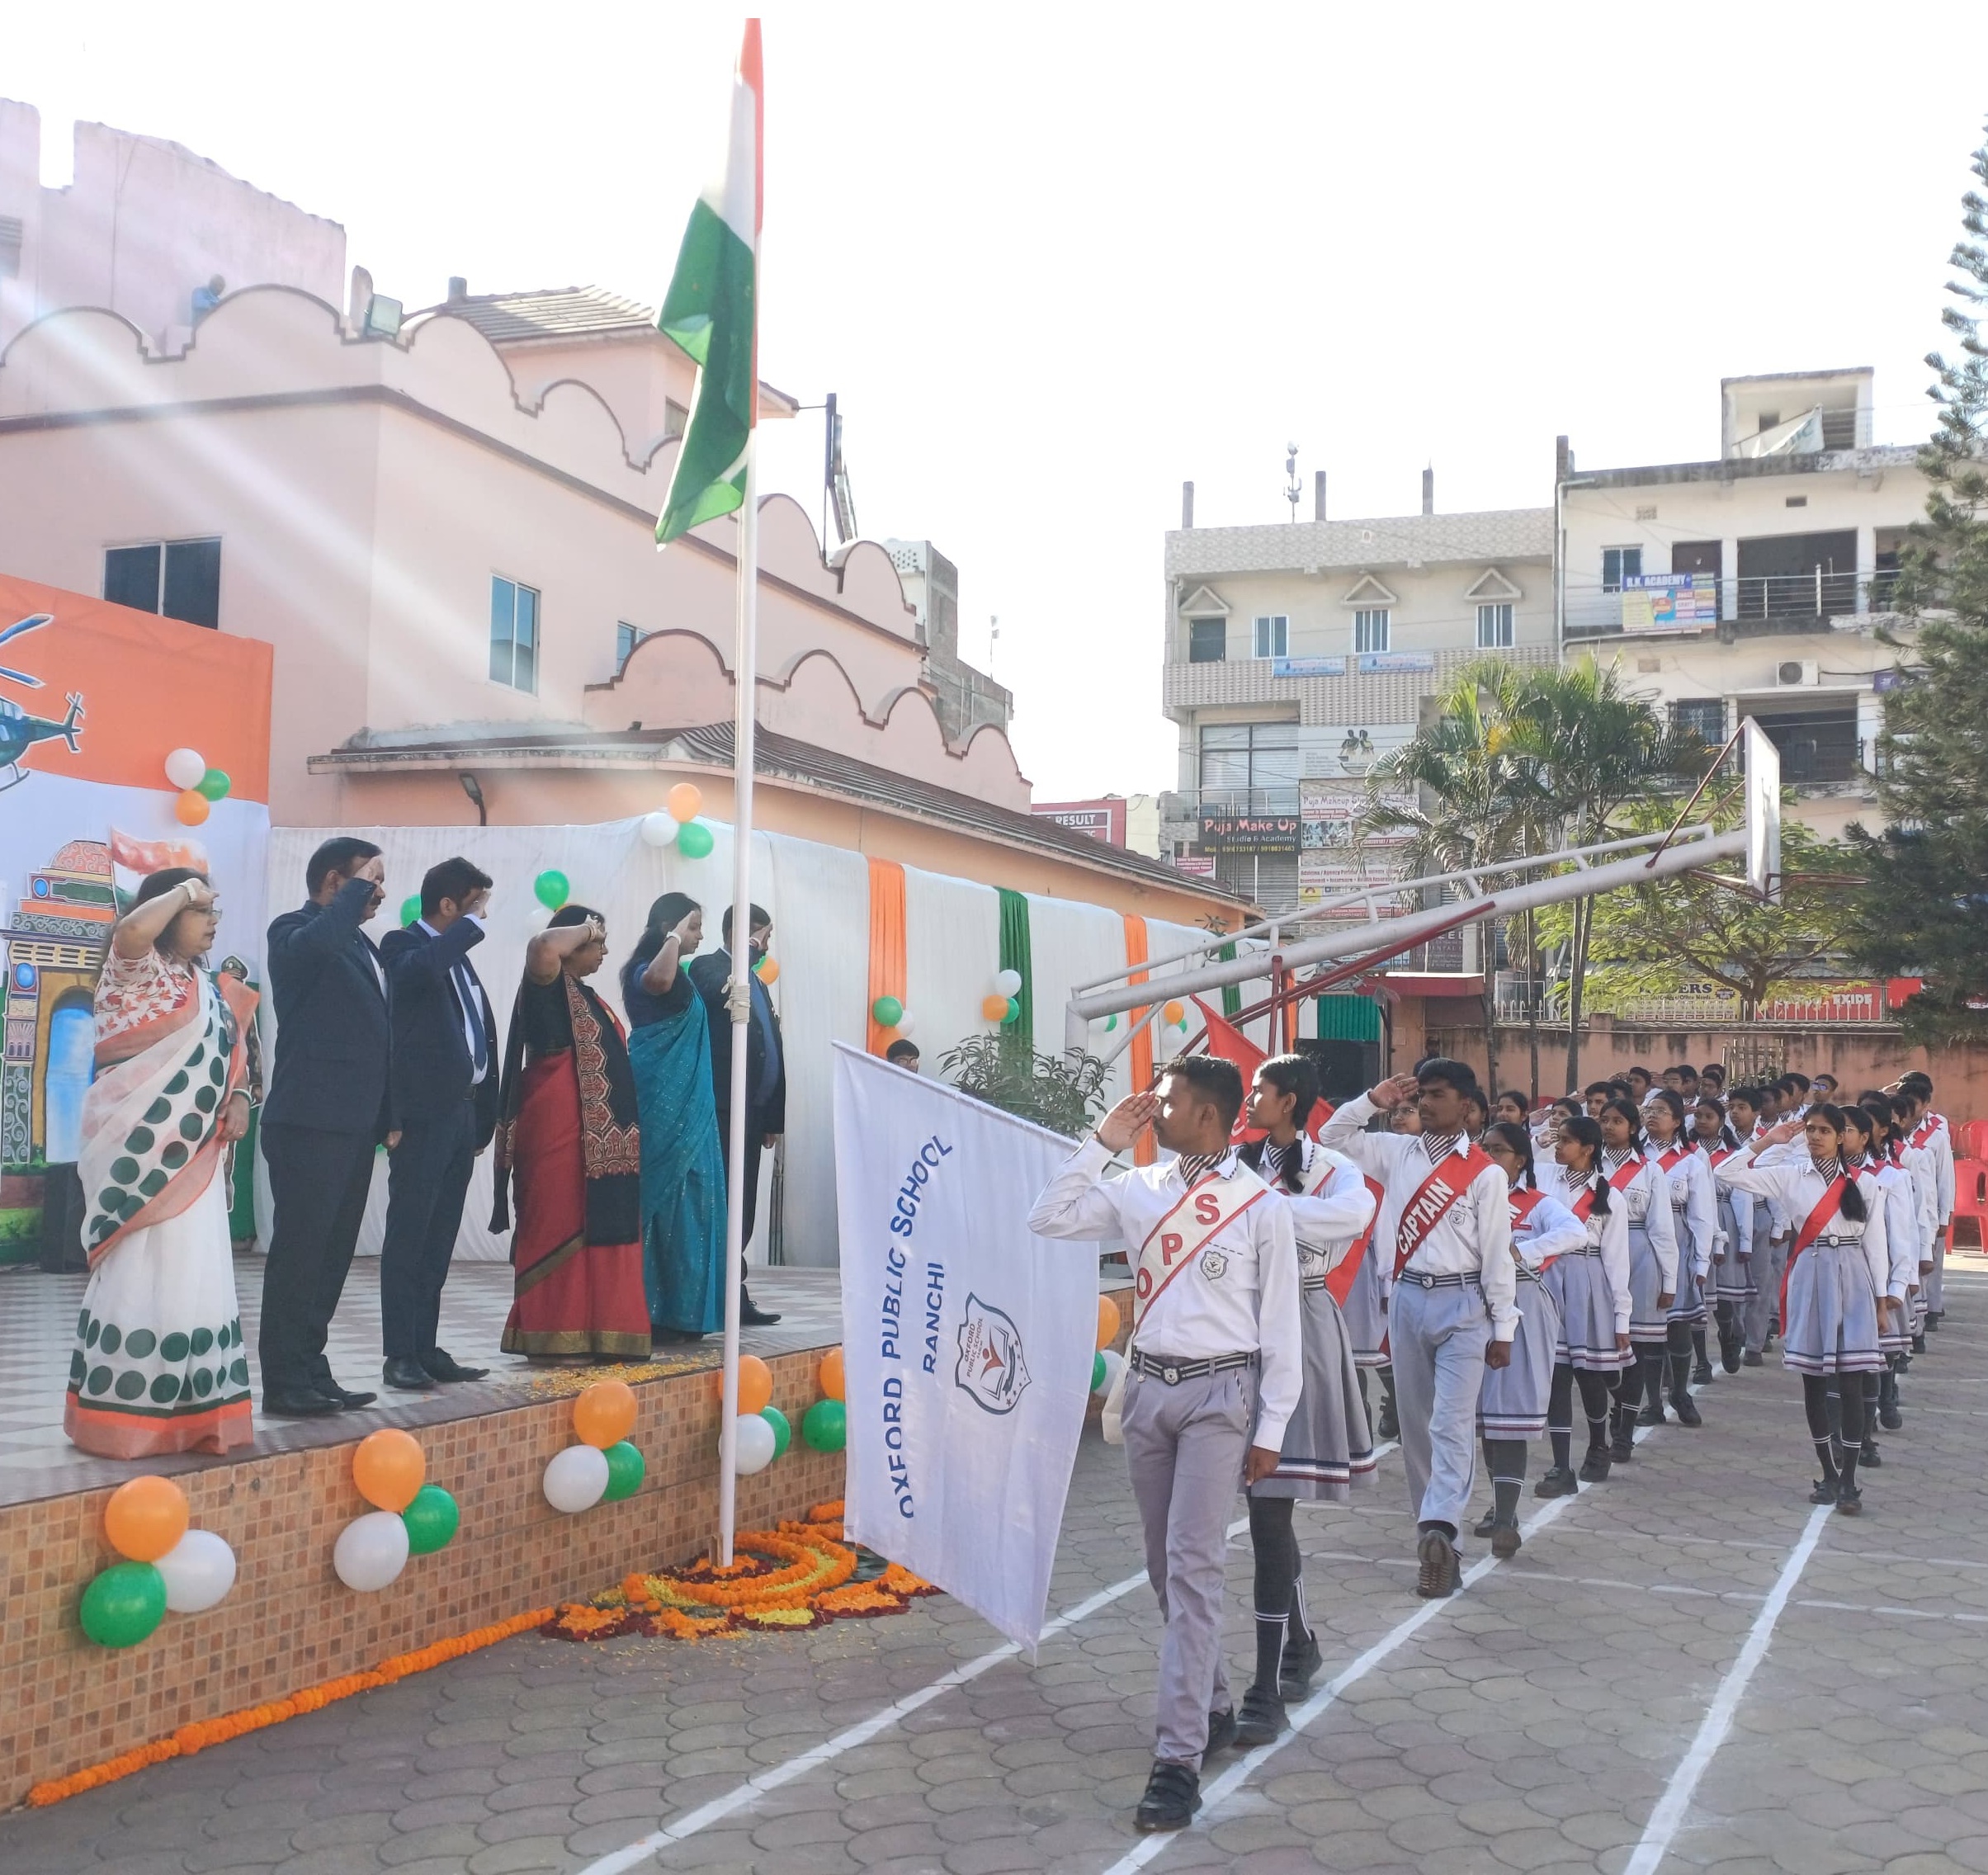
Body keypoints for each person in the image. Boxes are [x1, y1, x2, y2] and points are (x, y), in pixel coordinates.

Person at [1027, 1056, 1301, 1833]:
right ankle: (1209, 1703)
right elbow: (1047, 1217)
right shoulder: (1139, 1187)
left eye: (1168, 1101)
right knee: (1163, 1565)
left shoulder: (1260, 1206)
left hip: (1221, 1395)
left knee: (1193, 1567)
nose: (1155, 1110)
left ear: (1208, 1113)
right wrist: (1101, 1142)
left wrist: (1271, 1428)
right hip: (1147, 1389)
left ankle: (1176, 1761)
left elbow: (1281, 1327)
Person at [67, 870, 259, 1456]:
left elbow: (234, 1059)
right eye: (201, 911)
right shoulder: (135, 971)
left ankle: (193, 1415)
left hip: (197, 1162)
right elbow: (130, 935)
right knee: (141, 1276)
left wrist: (241, 1098)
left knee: (196, 1277)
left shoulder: (207, 986)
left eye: (213, 911)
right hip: (139, 1166)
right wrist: (182, 890)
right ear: (168, 913)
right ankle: (123, 1422)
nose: (212, 922)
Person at [1320, 1061, 1514, 1600]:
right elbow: (1331, 1136)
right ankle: (1434, 1537)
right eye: (1420, 1095)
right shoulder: (1396, 1152)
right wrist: (1371, 1099)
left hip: (1464, 1305)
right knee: (1417, 1427)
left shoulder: (1485, 1175)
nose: (1424, 1104)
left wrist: (1504, 1326)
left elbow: (1497, 1256)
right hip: (1407, 1299)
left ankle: (1441, 1530)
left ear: (1467, 1107)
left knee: (1451, 1424)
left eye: (1437, 1095)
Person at [1234, 1056, 1376, 1744]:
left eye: (1259, 1090)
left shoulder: (1332, 1169)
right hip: (1231, 1326)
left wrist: (1261, 1210)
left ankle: (1273, 1676)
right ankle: (1297, 1640)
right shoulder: (1232, 1162)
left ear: (1288, 1100)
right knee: (1260, 1508)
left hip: (1299, 1321)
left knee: (1270, 1505)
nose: (1249, 1099)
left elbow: (1352, 1215)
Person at [260, 838, 390, 1417]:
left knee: (332, 1256)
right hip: (309, 1121)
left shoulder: (361, 944)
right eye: (371, 880)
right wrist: (354, 893)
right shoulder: (292, 930)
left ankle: (312, 1368)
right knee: (301, 1253)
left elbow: (380, 1037)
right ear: (336, 881)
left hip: (354, 1124)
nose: (381, 892)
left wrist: (389, 1117)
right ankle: (284, 1380)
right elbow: (316, 944)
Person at [1713, 1105, 1895, 1513]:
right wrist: (1769, 1140)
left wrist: (1881, 1303)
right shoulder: (1790, 1175)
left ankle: (1849, 1481)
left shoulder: (1865, 1182)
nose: (1815, 1136)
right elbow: (1725, 1172)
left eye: (1825, 1130)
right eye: (1810, 1129)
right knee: (1814, 1382)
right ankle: (1828, 1473)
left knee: (1852, 1383)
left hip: (1853, 1278)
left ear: (1842, 1137)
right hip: (1810, 1275)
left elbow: (1877, 1245)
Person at [489, 905, 650, 1359]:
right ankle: (554, 1332)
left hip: (600, 1143)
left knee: (597, 1225)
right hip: (557, 1133)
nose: (604, 952)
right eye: (598, 943)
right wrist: (586, 926)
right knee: (557, 1220)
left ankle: (599, 1331)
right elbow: (543, 946)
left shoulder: (586, 996)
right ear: (574, 944)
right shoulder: (546, 987)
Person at [376, 857, 498, 1391]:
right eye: (475, 906)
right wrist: (466, 929)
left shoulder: (457, 960)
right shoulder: (402, 945)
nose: (482, 917)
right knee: (410, 1233)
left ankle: (426, 1347)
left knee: (440, 1236)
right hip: (423, 1115)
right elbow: (417, 974)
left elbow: (479, 1035)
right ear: (448, 905)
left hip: (461, 1114)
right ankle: (399, 1354)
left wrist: (483, 1117)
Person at [1474, 1122, 1584, 1553]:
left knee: (1510, 1415)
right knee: (1485, 1417)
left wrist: (1524, 1250)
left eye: (1498, 1150)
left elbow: (1575, 1232)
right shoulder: (1465, 1196)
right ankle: (1500, 1506)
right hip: (1473, 1306)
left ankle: (1505, 1516)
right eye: (1484, 1149)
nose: (1488, 1157)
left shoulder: (1538, 1203)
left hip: (1522, 1309)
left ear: (1520, 1160)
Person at [621, 892, 726, 1347]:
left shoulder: (680, 971)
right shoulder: (644, 968)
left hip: (692, 1108)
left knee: (695, 1202)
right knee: (665, 1201)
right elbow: (657, 982)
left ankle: (686, 1312)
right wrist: (674, 938)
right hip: (661, 1104)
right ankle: (652, 1311)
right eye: (695, 926)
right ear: (671, 925)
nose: (700, 936)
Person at [688, 904, 785, 1328]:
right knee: (722, 1201)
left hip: (754, 1114)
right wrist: (745, 951)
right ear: (738, 933)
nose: (765, 945)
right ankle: (714, 1294)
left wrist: (773, 1118)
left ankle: (735, 1291)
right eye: (762, 936)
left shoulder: (758, 982)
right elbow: (716, 993)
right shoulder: (707, 967)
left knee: (744, 1205)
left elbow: (769, 1046)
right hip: (724, 1110)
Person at [1535, 1115, 1633, 1491]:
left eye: (1566, 1141)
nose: (1558, 1146)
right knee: (1556, 1376)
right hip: (1549, 1278)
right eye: (1558, 1139)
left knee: (1589, 1374)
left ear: (1588, 1149)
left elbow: (1617, 1260)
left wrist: (1621, 1317)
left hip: (1589, 1284)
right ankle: (1561, 1465)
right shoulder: (1545, 1179)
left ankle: (1598, 1446)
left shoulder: (1611, 1197)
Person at [1598, 1097, 1678, 1459]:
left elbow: (1662, 1228)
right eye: (1604, 1119)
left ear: (1633, 1127)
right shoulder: (1590, 1163)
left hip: (1640, 1258)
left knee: (1637, 1351)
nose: (1609, 1126)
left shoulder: (1650, 1171)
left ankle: (1624, 1430)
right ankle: (1613, 1408)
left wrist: (1669, 1281)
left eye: (1617, 1120)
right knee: (1600, 1348)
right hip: (1596, 1257)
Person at [1641, 1089, 1716, 1424]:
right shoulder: (1632, 1155)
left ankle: (1680, 1392)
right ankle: (1652, 1402)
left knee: (1678, 1324)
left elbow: (1702, 1216)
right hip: (1640, 1245)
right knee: (1646, 1330)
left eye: (1661, 1111)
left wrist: (1702, 1260)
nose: (1652, 1115)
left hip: (1679, 1244)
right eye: (1649, 1110)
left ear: (1676, 1121)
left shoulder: (1691, 1161)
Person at [1694, 1096, 1756, 1373]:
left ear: (1721, 1121)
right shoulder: (1688, 1151)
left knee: (1722, 1293)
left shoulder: (1733, 1153)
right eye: (1698, 1116)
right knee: (1694, 1294)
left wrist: (1745, 1241)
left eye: (1708, 1117)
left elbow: (1742, 1197)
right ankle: (1701, 1362)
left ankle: (1728, 1334)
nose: (1702, 1121)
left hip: (1723, 1217)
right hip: (1693, 1220)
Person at [1897, 1073, 1953, 1330]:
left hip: (1928, 1208)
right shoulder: (1892, 1133)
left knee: (1930, 1261)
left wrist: (1945, 1214)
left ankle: (1931, 1309)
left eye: (1915, 1103)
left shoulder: (1936, 1133)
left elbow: (1945, 1176)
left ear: (1925, 1105)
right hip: (1901, 1208)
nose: (1909, 1107)